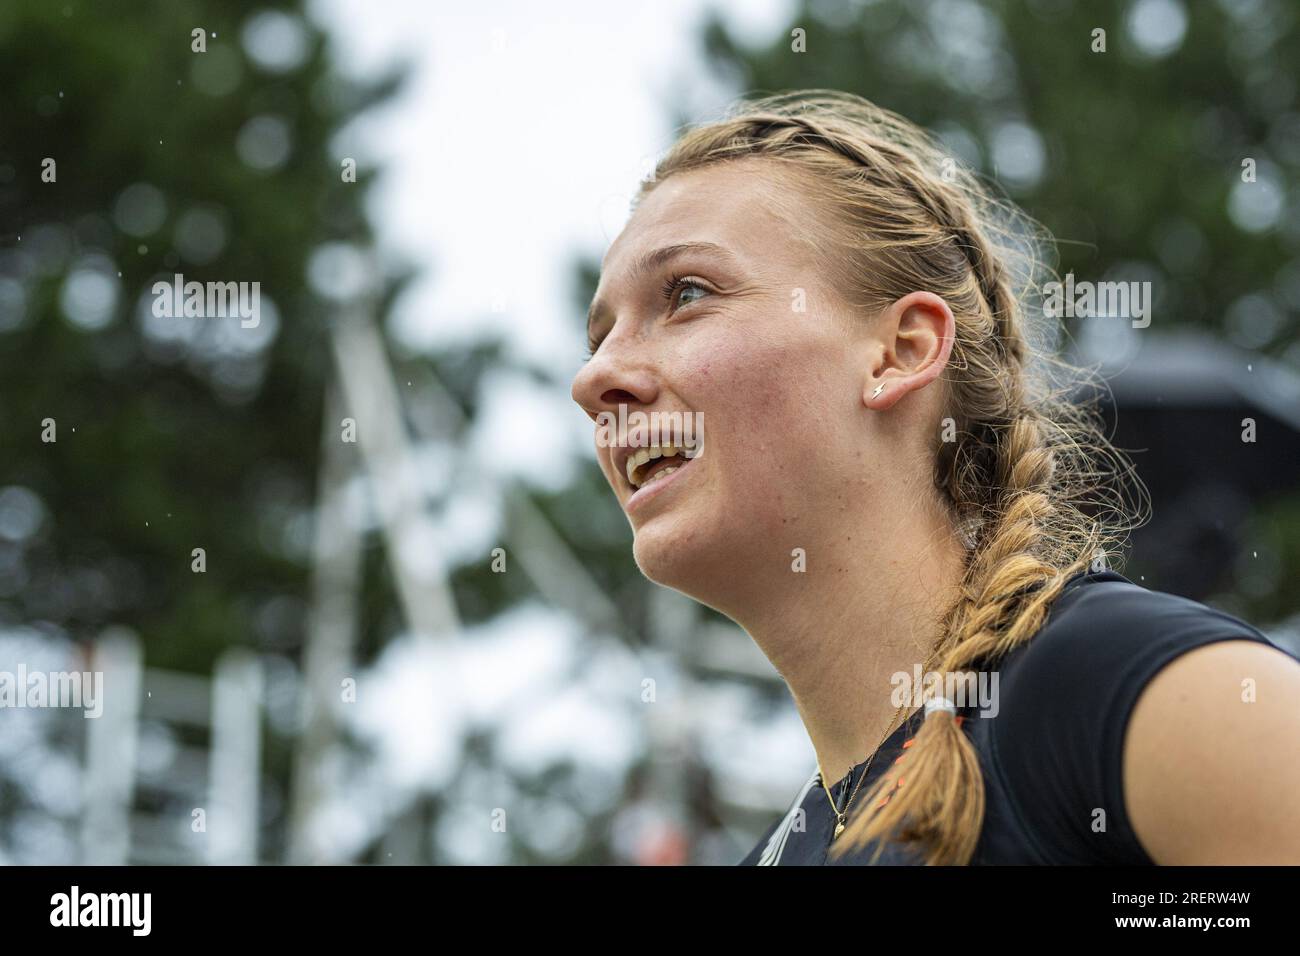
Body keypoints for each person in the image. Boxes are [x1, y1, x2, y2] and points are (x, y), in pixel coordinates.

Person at [569, 90, 1300, 865]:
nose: (594, 377)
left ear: (901, 351)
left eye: (686, 294)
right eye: (599, 334)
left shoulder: (1104, 690)